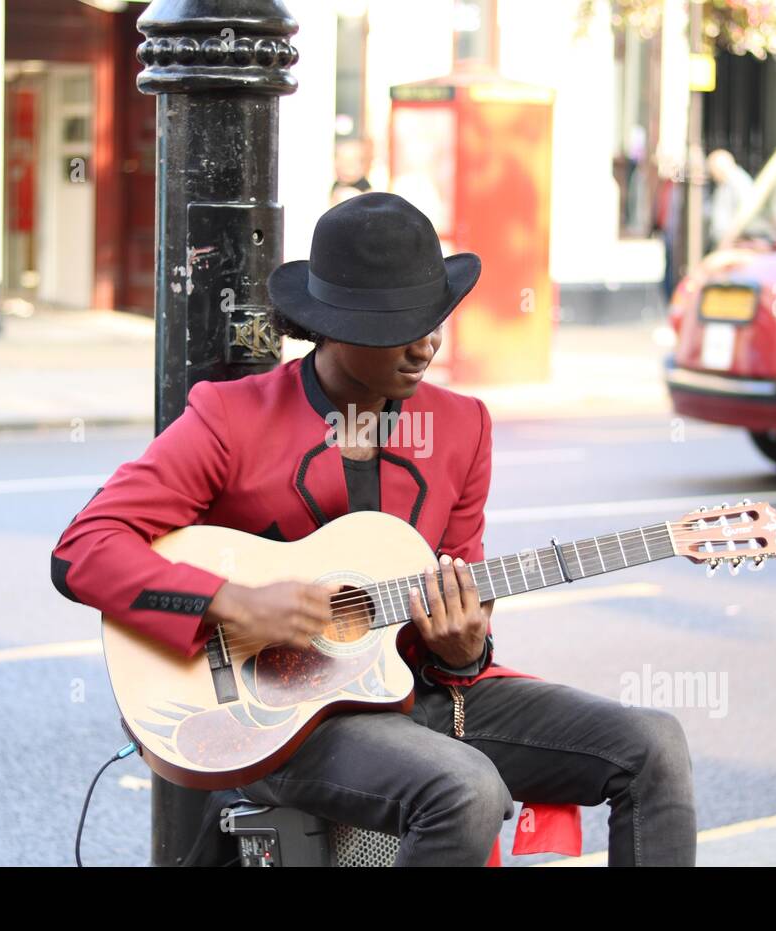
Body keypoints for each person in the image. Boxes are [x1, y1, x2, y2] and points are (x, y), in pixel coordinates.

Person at [50, 192, 698, 866]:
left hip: (416, 694)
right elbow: (82, 552)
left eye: (433, 320)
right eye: (397, 326)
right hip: (273, 723)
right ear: (329, 325)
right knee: (465, 790)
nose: (424, 345)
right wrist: (234, 601)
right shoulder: (231, 419)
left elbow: (461, 612)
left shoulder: (462, 427)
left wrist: (464, 648)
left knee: (653, 746)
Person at [706, 149, 754, 252]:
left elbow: (745, 213)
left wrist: (730, 238)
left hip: (732, 244)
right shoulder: (725, 183)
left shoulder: (739, 182)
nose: (712, 175)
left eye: (712, 169)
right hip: (725, 243)